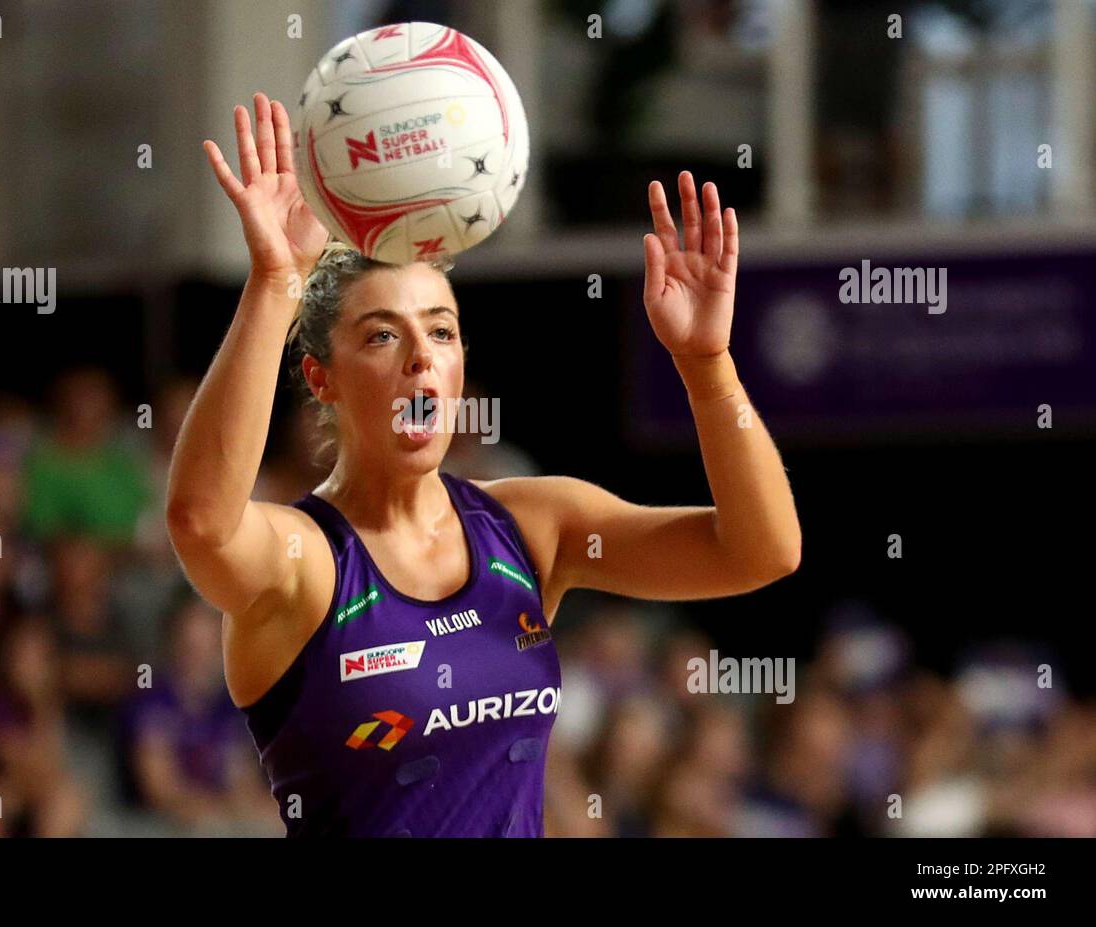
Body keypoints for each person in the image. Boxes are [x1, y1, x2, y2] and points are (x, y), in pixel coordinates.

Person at [165, 92, 801, 837]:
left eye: (441, 331)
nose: (420, 359)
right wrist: (275, 283)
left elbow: (760, 550)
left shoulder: (531, 525)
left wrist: (705, 363)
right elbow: (202, 524)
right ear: (322, 380)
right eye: (380, 336)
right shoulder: (306, 561)